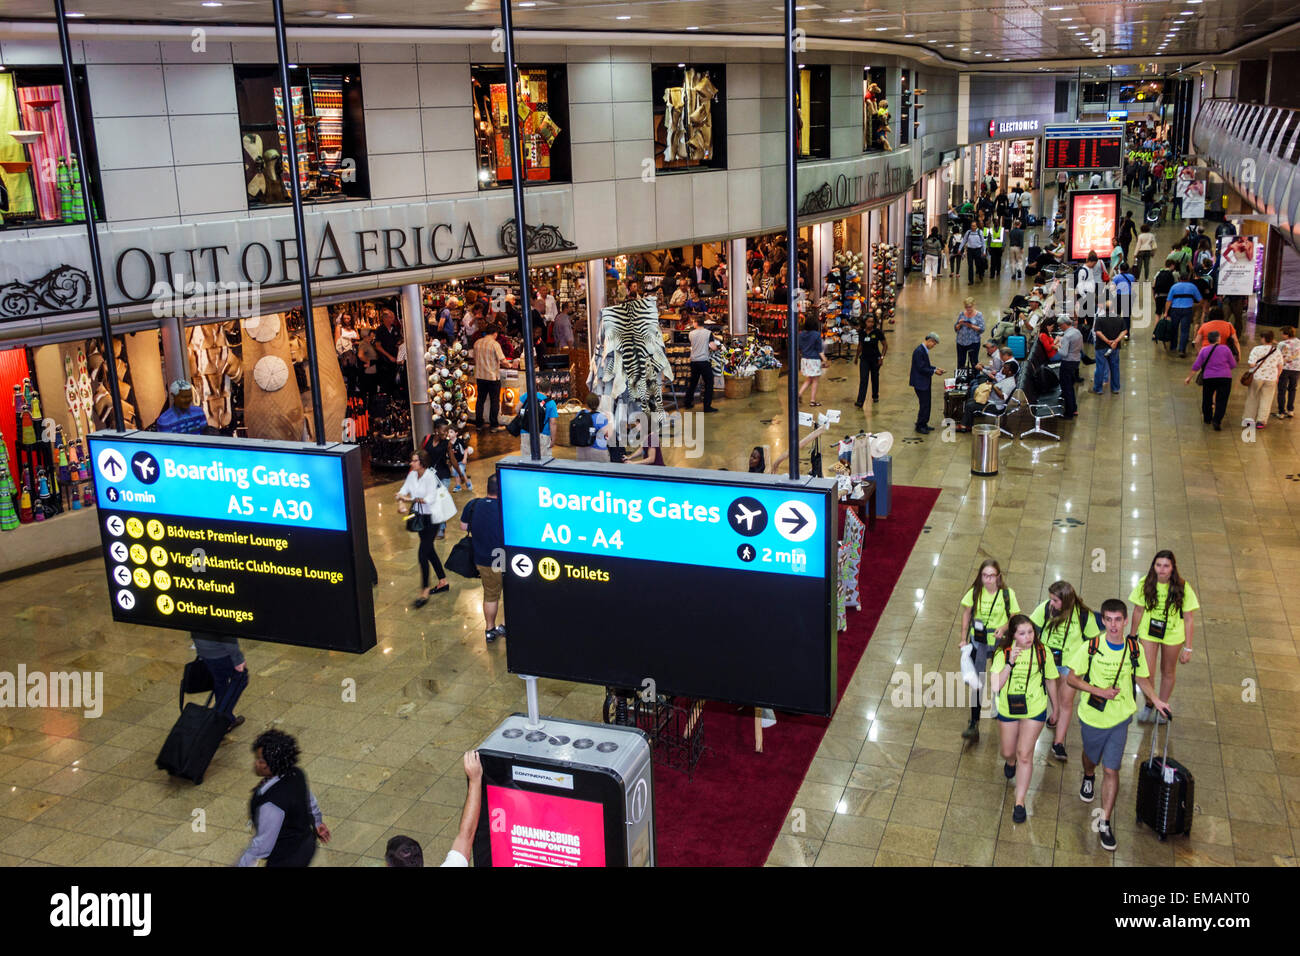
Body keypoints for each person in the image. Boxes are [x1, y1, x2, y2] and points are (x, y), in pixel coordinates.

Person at [1065, 599, 1170, 852]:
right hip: (1092, 717)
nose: (1113, 625)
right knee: (1091, 758)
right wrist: (1098, 690)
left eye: (1118, 620)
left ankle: (1105, 821)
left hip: (1120, 718)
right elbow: (1071, 679)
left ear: (1125, 621)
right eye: (1108, 619)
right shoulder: (1091, 647)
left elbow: (1142, 677)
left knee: (1112, 770)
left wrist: (1156, 700)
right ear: (1103, 620)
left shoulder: (1134, 649)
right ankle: (1088, 774)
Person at [990, 614, 1057, 823]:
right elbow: (995, 686)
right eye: (1022, 633)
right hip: (1009, 709)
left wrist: (1056, 708)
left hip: (1034, 708)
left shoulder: (1042, 652)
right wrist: (1010, 663)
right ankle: (1010, 761)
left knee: (1025, 754)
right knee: (1009, 751)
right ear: (1013, 635)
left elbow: (1050, 680)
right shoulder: (1003, 652)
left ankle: (1020, 801)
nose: (1028, 637)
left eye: (1030, 632)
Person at [237, 729, 330, 867]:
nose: (256, 763)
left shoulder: (272, 803)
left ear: (273, 764)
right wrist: (317, 823)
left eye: (261, 761)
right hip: (306, 844)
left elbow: (263, 846)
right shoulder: (296, 774)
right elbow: (310, 802)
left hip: (287, 859)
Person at [1029, 581, 1099, 762]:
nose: (1051, 603)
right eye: (1050, 598)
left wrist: (1089, 665)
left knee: (1067, 701)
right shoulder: (1045, 609)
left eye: (1055, 600)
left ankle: (1058, 743)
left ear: (1066, 601)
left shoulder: (1084, 615)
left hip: (1072, 664)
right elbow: (1031, 630)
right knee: (1053, 696)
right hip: (1048, 661)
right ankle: (1055, 713)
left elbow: (1093, 642)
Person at [1129, 551, 1199, 725]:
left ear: (1173, 568)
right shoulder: (1145, 583)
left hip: (1173, 635)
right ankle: (1150, 702)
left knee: (1168, 671)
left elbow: (1189, 619)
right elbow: (1138, 610)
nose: (1162, 570)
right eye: (1158, 565)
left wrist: (1188, 647)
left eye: (1166, 566)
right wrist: (1132, 635)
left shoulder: (1183, 587)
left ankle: (1163, 706)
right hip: (1148, 632)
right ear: (1154, 566)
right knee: (1147, 671)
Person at [958, 559, 1021, 742]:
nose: (988, 579)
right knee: (977, 681)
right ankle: (974, 723)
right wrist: (963, 638)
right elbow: (966, 614)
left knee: (998, 676)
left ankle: (997, 706)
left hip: (999, 642)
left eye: (991, 575)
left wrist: (1004, 626)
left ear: (998, 576)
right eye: (984, 575)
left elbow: (1014, 615)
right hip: (978, 641)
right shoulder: (975, 592)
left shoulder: (1007, 594)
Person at [397, 450, 449, 609]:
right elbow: (402, 491)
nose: (411, 463)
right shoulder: (412, 475)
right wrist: (400, 501)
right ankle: (443, 581)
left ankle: (424, 591)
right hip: (420, 517)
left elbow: (430, 499)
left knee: (422, 554)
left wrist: (409, 499)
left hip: (433, 518)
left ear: (422, 462)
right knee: (429, 550)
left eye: (414, 461)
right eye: (411, 460)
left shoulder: (429, 477)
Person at [460, 474, 505, 643]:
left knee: (490, 594)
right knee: (510, 593)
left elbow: (463, 526)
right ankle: (506, 626)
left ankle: (489, 629)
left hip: (481, 557)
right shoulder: (505, 507)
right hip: (501, 556)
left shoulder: (473, 504)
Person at [191, 631, 248, 732]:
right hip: (221, 653)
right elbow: (227, 635)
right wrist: (238, 659)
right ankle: (219, 717)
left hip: (203, 649)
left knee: (220, 681)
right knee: (241, 678)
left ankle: (227, 719)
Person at [1185, 330, 1236, 430]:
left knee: (1207, 398)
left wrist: (1189, 377)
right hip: (1225, 378)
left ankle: (1207, 418)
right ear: (1219, 339)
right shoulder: (1226, 349)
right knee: (1222, 400)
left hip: (1209, 378)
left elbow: (1196, 365)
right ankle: (1217, 420)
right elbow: (1233, 365)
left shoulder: (1204, 350)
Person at [473, 325, 515, 430]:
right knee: (494, 401)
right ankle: (494, 425)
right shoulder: (494, 344)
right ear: (495, 333)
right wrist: (510, 365)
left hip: (480, 376)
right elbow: (502, 360)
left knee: (480, 400)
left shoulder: (477, 343)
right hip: (492, 377)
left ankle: (478, 424)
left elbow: (474, 358)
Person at [1240, 330, 1283, 429]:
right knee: (1266, 399)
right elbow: (1280, 366)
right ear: (1272, 339)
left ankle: (1248, 420)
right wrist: (1277, 377)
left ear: (1263, 338)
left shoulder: (1256, 349)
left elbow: (1251, 364)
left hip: (1257, 377)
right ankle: (1261, 421)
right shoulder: (1277, 350)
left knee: (1252, 397)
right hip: (1271, 378)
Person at [909, 332, 945, 435]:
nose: (933, 346)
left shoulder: (923, 350)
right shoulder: (919, 351)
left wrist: (935, 368)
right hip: (920, 382)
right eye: (934, 344)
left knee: (927, 403)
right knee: (924, 404)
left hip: (924, 381)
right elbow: (921, 368)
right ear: (930, 341)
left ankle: (924, 423)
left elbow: (926, 365)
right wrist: (934, 371)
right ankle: (920, 425)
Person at [683, 314, 720, 411]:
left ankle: (687, 403)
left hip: (694, 361)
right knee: (709, 383)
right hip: (704, 361)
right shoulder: (708, 333)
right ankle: (707, 406)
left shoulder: (691, 333)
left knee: (693, 383)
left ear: (695, 323)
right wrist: (717, 348)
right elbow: (712, 346)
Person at [1091, 307, 1127, 395]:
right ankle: (1115, 388)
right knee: (1115, 367)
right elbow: (1124, 331)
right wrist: (1116, 341)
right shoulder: (1119, 319)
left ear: (1105, 309)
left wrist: (1107, 341)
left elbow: (1098, 332)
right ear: (1113, 309)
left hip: (1101, 347)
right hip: (1115, 347)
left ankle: (1098, 389)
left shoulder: (1100, 319)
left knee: (1100, 367)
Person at [854, 313, 887, 407]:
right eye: (868, 322)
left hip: (875, 359)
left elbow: (885, 345)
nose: (870, 324)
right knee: (863, 379)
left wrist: (881, 358)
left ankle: (875, 395)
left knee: (874, 377)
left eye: (872, 322)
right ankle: (860, 401)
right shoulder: (862, 332)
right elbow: (860, 346)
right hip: (864, 359)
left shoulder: (877, 332)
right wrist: (856, 357)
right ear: (865, 322)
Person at [797, 316, 828, 407]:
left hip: (804, 360)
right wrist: (825, 360)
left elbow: (799, 347)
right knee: (815, 381)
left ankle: (799, 394)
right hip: (814, 360)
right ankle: (812, 401)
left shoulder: (801, 334)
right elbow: (819, 350)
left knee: (809, 379)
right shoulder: (816, 335)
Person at [1055, 316, 1083, 420]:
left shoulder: (1067, 336)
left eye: (1060, 326)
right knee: (1070, 386)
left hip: (1067, 363)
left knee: (1066, 388)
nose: (1060, 328)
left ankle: (1069, 413)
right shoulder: (1077, 332)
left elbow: (1063, 353)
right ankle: (1074, 408)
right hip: (1075, 361)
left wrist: (1057, 346)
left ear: (1063, 324)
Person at [517, 388, 558, 456]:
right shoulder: (551, 403)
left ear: (538, 388)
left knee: (526, 460)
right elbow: (553, 423)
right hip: (543, 434)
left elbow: (517, 409)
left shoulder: (527, 395)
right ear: (549, 391)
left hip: (525, 432)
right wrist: (553, 439)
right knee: (543, 461)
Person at [575, 391, 613, 462]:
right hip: (598, 450)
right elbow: (608, 436)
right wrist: (610, 420)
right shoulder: (601, 417)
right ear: (598, 404)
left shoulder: (580, 414)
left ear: (586, 403)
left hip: (581, 450)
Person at [373, 308, 403, 388]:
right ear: (385, 318)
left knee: (395, 381)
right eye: (391, 317)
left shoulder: (395, 328)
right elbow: (378, 346)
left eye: (393, 317)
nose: (393, 319)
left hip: (395, 358)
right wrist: (389, 357)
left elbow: (399, 340)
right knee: (385, 382)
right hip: (384, 360)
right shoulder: (380, 330)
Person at [1276, 326, 1300, 420]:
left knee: (1281, 390)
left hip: (1284, 368)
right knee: (1292, 389)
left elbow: (1278, 356)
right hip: (1296, 369)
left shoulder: (1282, 344)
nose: (1281, 335)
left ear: (1286, 334)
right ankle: (1290, 410)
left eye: (1282, 334)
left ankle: (1281, 412)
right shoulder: (1299, 342)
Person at [953, 298, 984, 369]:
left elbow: (982, 329)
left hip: (973, 342)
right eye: (966, 307)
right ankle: (961, 377)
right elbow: (956, 328)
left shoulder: (979, 315)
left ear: (973, 305)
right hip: (961, 342)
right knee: (960, 362)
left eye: (970, 307)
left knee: (974, 362)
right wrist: (960, 324)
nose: (968, 309)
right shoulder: (961, 314)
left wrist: (971, 326)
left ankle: (976, 378)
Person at [449, 425, 473, 492]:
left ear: (456, 433)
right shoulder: (448, 443)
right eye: (448, 432)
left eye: (451, 432)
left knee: (461, 471)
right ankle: (458, 486)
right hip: (454, 462)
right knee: (456, 473)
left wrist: (465, 458)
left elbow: (465, 449)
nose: (449, 434)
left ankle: (467, 482)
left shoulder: (459, 441)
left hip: (461, 461)